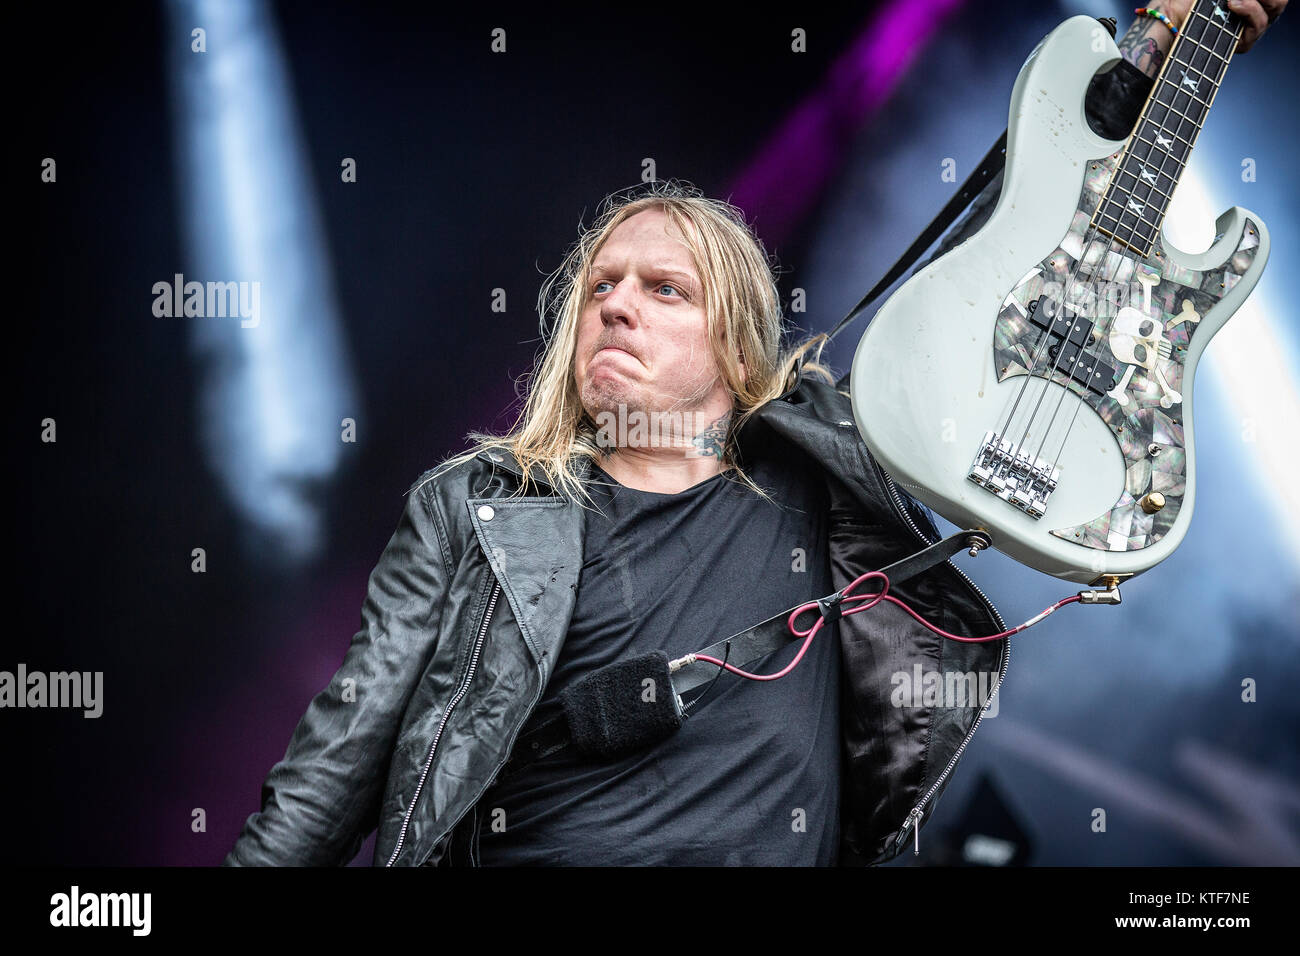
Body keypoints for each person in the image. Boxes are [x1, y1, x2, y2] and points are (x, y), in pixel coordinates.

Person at [224, 0, 1284, 867]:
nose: (616, 304)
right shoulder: (471, 509)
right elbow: (331, 769)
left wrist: (1161, 45)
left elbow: (1044, 247)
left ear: (737, 344)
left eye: (662, 287)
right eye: (600, 286)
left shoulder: (832, 473)